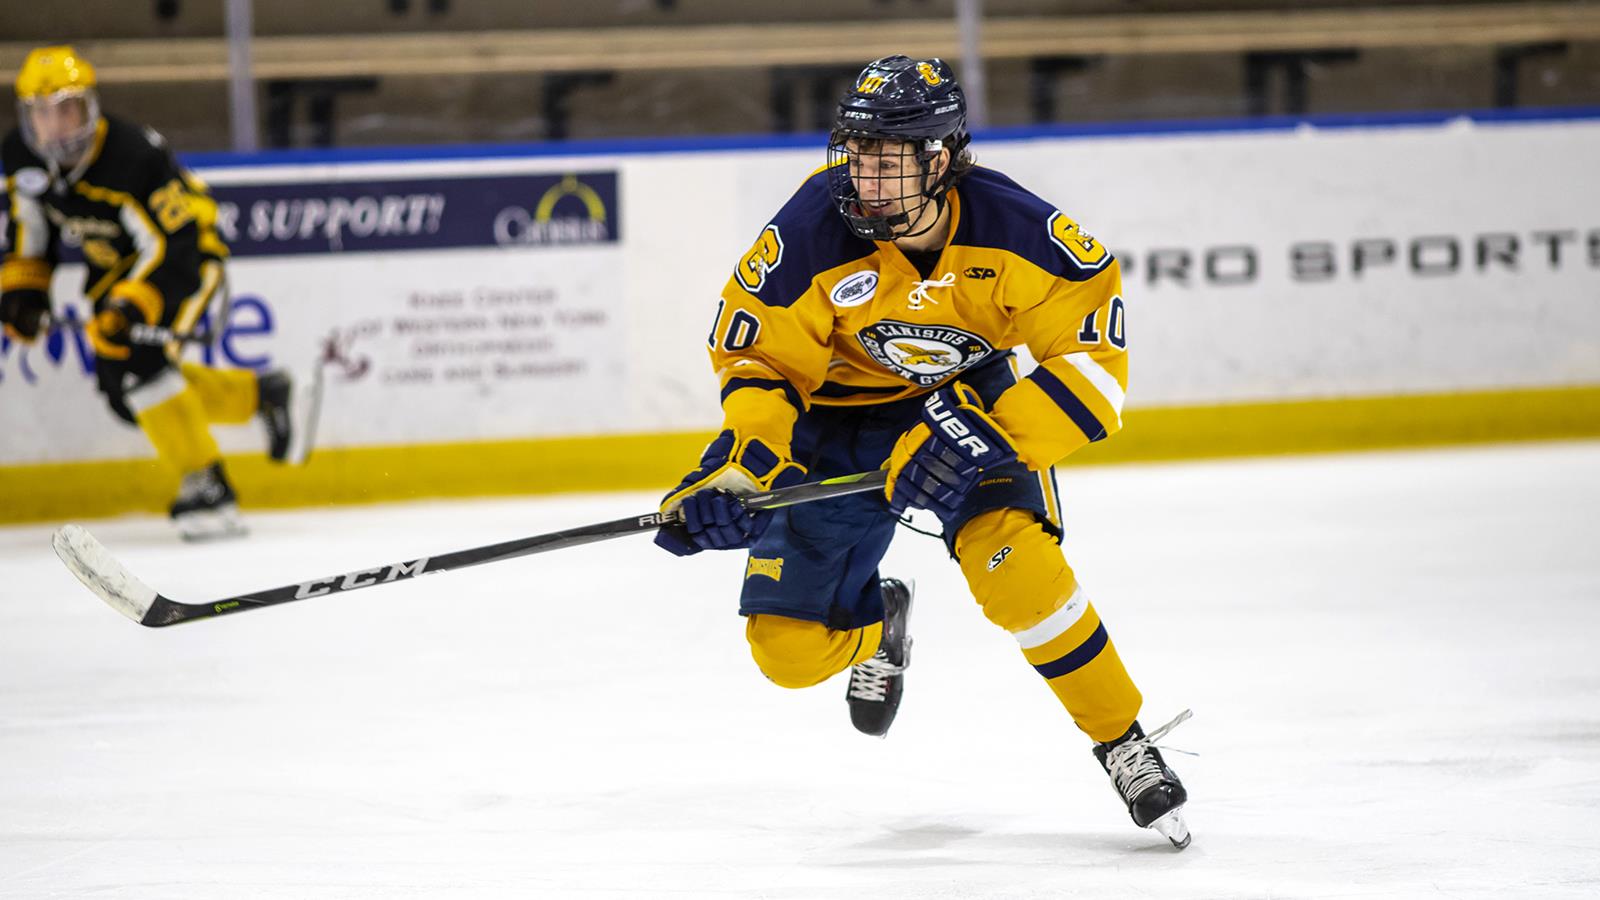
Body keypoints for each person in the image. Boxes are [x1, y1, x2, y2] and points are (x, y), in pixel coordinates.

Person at [654, 55, 1192, 848]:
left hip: (968, 404)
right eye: (857, 158)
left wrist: (982, 439)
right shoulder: (809, 232)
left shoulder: (1019, 232)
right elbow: (760, 362)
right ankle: (881, 625)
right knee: (788, 654)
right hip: (835, 424)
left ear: (940, 162)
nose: (865, 182)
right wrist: (739, 471)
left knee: (1019, 571)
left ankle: (1123, 741)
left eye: (887, 164)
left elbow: (1093, 367)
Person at [1, 46, 317, 540]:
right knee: (122, 393)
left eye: (67, 110)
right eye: (44, 113)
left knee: (140, 363)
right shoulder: (20, 158)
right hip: (114, 270)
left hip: (185, 261)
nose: (57, 126)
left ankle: (209, 486)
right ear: (27, 117)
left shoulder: (133, 156)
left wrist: (131, 309)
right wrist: (24, 293)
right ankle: (262, 396)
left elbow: (176, 245)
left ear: (88, 107)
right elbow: (30, 231)